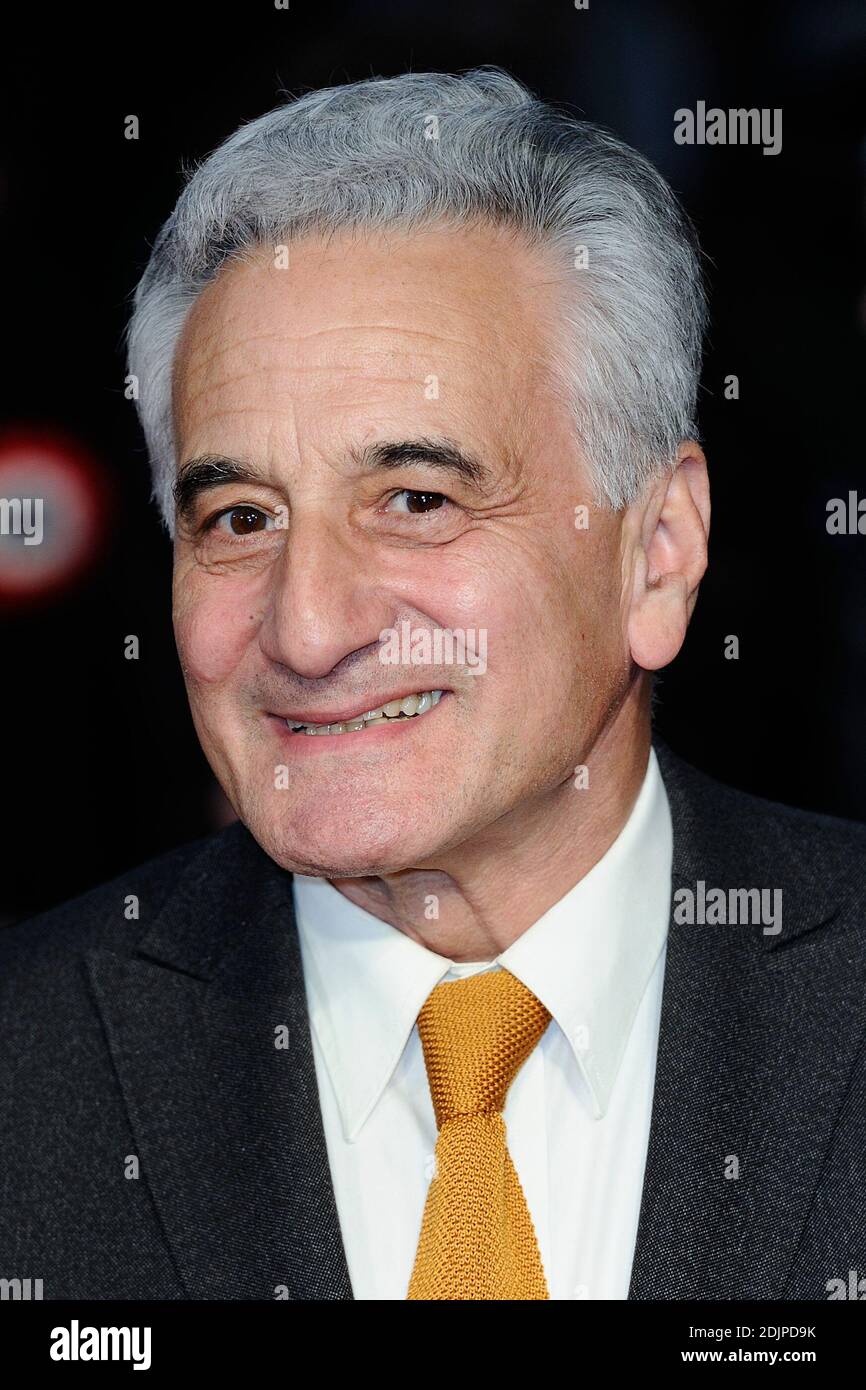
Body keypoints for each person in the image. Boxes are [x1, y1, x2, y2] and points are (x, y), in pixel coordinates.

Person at [2, 67, 864, 1301]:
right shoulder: (31, 1074)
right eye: (240, 517)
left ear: (655, 554)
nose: (304, 628)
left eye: (415, 501)